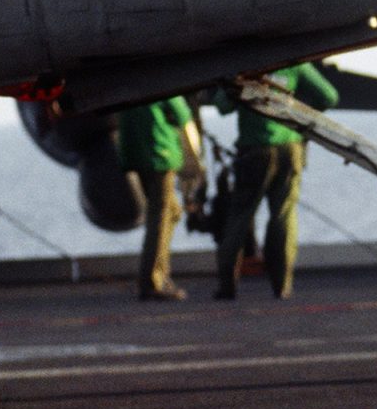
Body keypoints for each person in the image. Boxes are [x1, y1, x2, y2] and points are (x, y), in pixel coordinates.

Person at [213, 62, 339, 300]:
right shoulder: (292, 62)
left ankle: (227, 286)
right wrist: (301, 116)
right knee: (283, 214)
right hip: (289, 147)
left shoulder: (242, 64)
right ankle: (282, 286)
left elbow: (222, 106)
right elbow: (329, 96)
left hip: (254, 149)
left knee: (240, 215)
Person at [117, 93, 200, 301]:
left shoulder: (126, 85)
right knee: (160, 220)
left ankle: (160, 274)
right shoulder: (163, 87)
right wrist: (195, 167)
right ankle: (153, 281)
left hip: (138, 157)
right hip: (161, 157)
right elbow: (184, 119)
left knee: (171, 212)